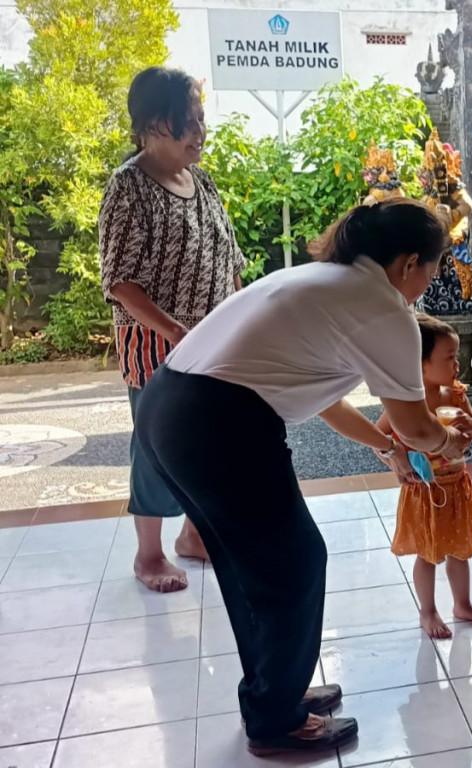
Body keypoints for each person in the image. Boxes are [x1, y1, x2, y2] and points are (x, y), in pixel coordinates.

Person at [133, 197, 472, 755]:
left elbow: (328, 401)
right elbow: (417, 423)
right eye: (434, 267)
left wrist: (386, 447)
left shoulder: (328, 281)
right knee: (292, 563)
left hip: (170, 407)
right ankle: (275, 720)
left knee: (255, 567)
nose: (430, 280)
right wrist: (449, 443)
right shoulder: (384, 308)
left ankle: (275, 694)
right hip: (219, 421)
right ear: (411, 262)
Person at [99, 67, 244, 593]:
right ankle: (148, 555)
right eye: (189, 121)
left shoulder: (200, 180)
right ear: (155, 123)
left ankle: (193, 536)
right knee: (157, 447)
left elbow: (227, 254)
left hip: (212, 343)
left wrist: (234, 314)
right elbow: (119, 281)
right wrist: (176, 331)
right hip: (157, 347)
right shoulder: (128, 188)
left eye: (202, 119)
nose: (200, 132)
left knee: (210, 441)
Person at [379, 314, 472, 639]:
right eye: (449, 357)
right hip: (424, 491)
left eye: (456, 356)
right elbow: (379, 436)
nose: (457, 364)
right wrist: (397, 458)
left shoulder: (456, 395)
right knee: (427, 554)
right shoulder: (407, 403)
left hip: (457, 485)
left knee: (459, 550)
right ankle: (427, 611)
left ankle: (463, 604)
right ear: (421, 364)